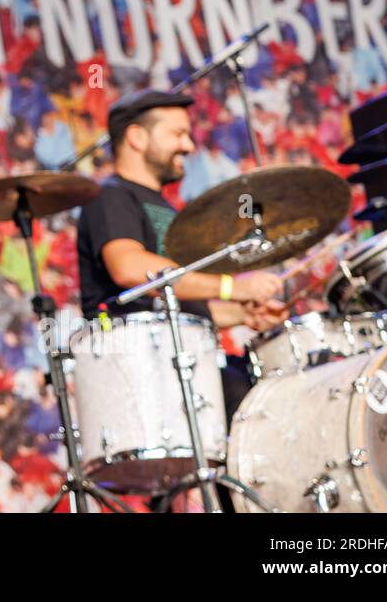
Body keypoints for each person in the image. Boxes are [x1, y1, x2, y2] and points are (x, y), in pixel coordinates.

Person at [75, 90, 290, 420]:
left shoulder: (163, 208)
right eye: (177, 134)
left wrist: (242, 315)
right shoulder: (111, 196)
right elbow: (130, 268)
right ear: (136, 137)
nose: (188, 146)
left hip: (184, 360)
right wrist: (234, 288)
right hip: (143, 374)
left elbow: (180, 303)